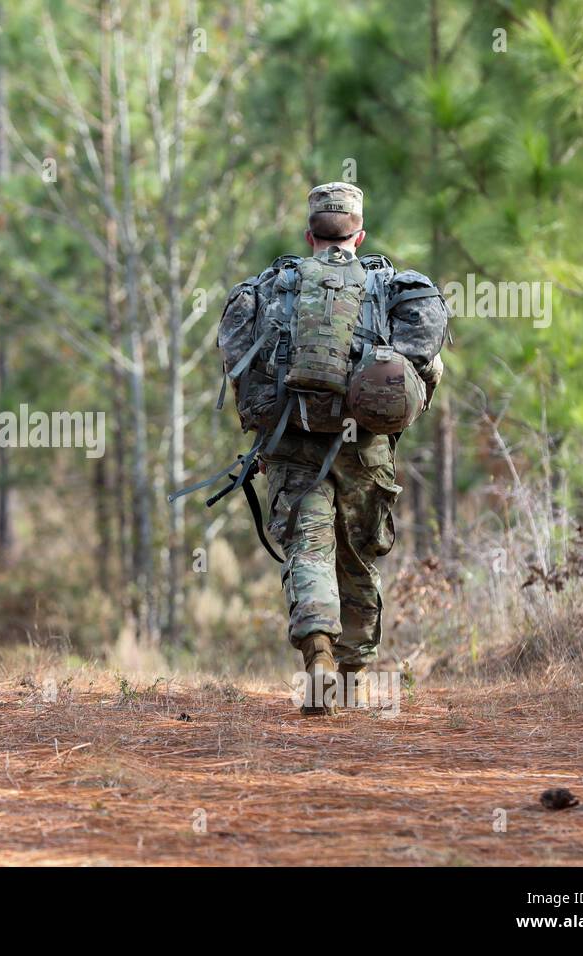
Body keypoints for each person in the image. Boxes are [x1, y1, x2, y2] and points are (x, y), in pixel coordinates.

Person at [192, 182, 448, 715]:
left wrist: (265, 437)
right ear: (361, 234)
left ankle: (318, 656)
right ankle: (353, 675)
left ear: (309, 234)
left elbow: (240, 371)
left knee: (308, 549)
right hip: (367, 447)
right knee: (359, 558)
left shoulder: (269, 288)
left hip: (291, 441)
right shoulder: (394, 289)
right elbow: (421, 372)